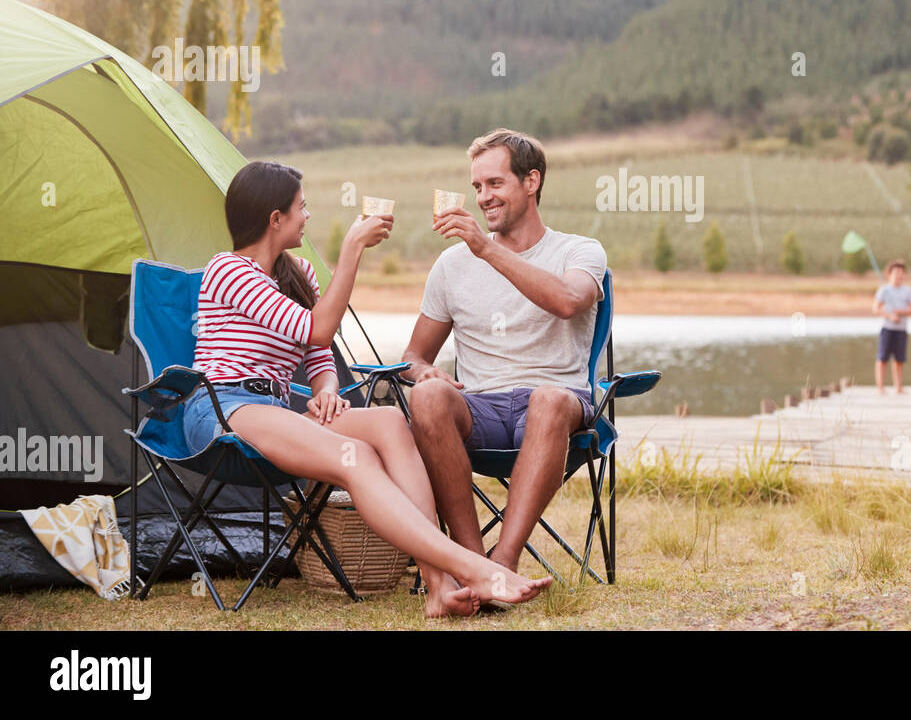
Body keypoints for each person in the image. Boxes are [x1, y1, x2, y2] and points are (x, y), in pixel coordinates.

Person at [184, 161, 550, 618]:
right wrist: (353, 248)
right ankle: (476, 569)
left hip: (272, 410)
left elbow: (317, 356)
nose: (307, 216)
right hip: (222, 408)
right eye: (301, 208)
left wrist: (327, 388)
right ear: (275, 218)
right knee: (353, 457)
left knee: (390, 422)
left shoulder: (299, 272)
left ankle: (438, 586)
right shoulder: (227, 270)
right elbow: (316, 329)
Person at [401, 129, 607, 573]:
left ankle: (505, 563)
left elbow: (568, 302)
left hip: (556, 407)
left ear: (531, 181)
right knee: (428, 398)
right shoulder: (451, 266)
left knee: (549, 398)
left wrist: (485, 251)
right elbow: (414, 356)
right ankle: (472, 561)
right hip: (481, 409)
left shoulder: (580, 251)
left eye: (495, 184)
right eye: (477, 187)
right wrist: (424, 375)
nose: (483, 197)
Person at [872, 258, 911, 394]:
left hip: (901, 329)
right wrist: (890, 316)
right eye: (896, 272)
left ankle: (898, 387)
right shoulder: (884, 290)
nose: (899, 275)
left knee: (899, 359)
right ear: (889, 274)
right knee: (882, 358)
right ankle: (880, 387)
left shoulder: (908, 291)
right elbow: (875, 308)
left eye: (901, 272)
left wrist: (899, 312)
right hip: (887, 328)